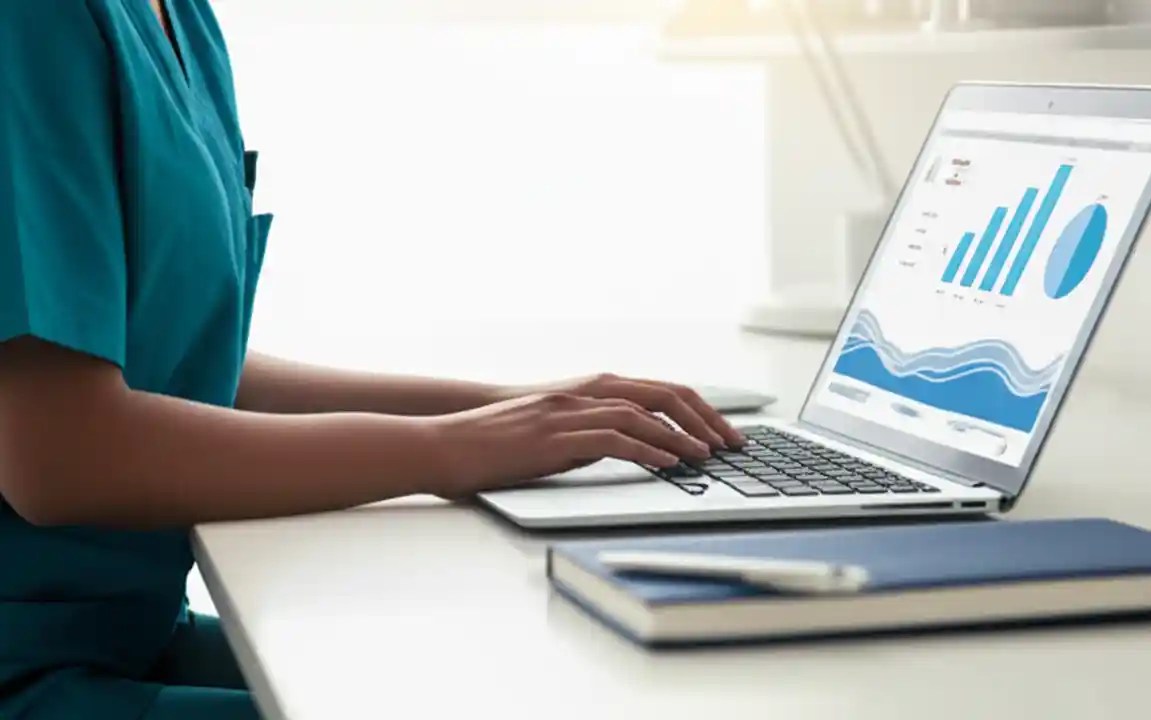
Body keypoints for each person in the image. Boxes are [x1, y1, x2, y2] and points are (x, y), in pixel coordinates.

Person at [0, 2, 744, 718]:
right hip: (34, 676)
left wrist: (500, 409)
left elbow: (189, 368)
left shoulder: (179, 15)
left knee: (506, 680)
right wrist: (443, 450)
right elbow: (60, 455)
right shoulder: (32, 21)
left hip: (122, 642)